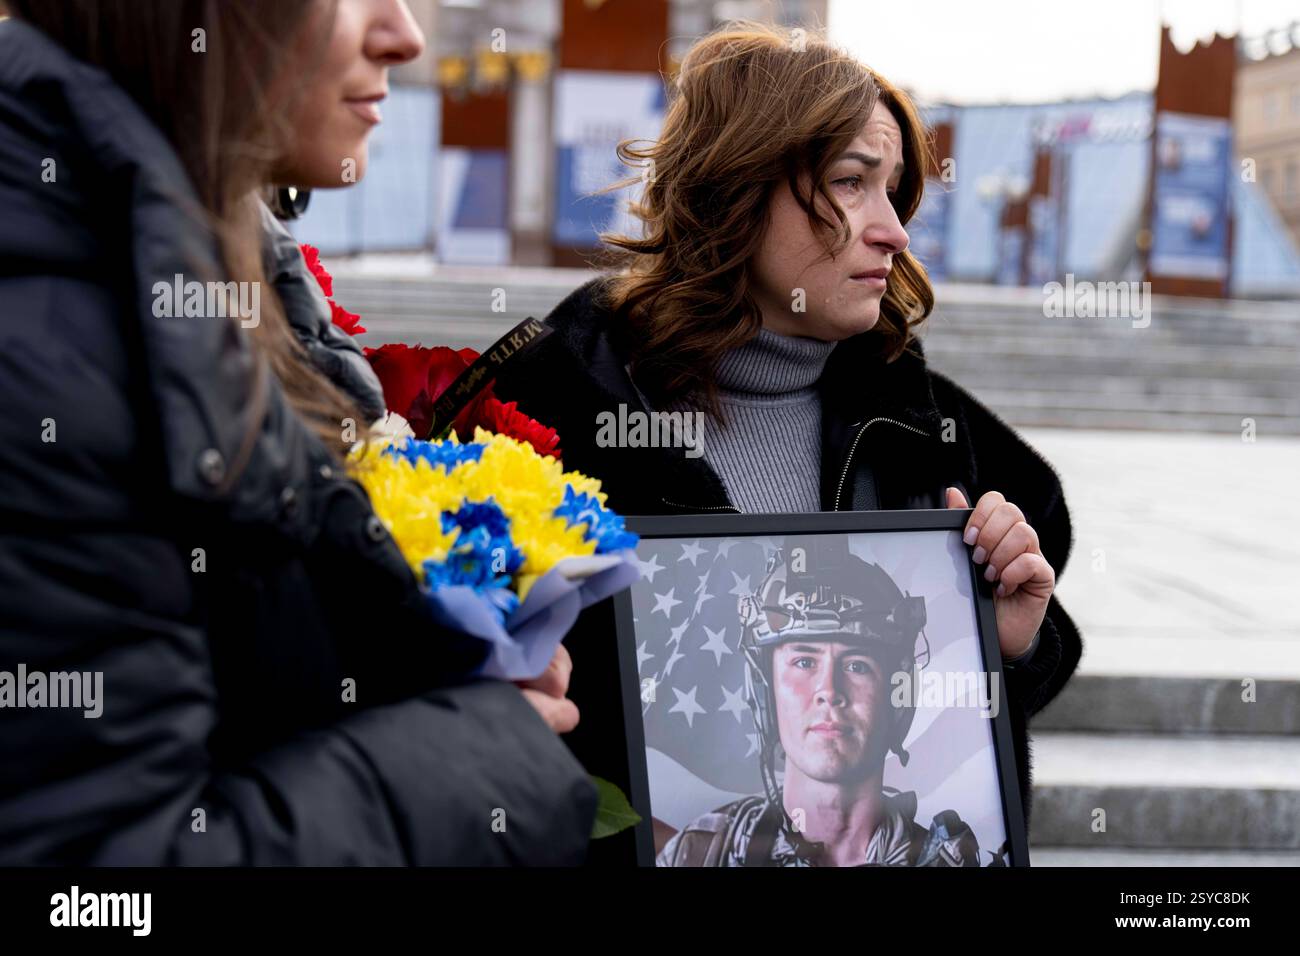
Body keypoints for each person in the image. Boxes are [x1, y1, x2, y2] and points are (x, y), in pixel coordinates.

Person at [0, 0, 590, 865]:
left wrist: (429, 681)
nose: (406, 34)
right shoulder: (51, 351)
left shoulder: (210, 267)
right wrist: (488, 760)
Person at [493, 22, 1082, 865]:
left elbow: (994, 720)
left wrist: (1003, 643)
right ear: (736, 190)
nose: (894, 232)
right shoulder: (544, 424)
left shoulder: (933, 435)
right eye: (852, 184)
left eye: (895, 194)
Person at [656, 536, 982, 867]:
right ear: (764, 689)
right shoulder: (701, 854)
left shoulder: (950, 860)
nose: (829, 690)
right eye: (804, 662)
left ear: (897, 697)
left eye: (857, 666)